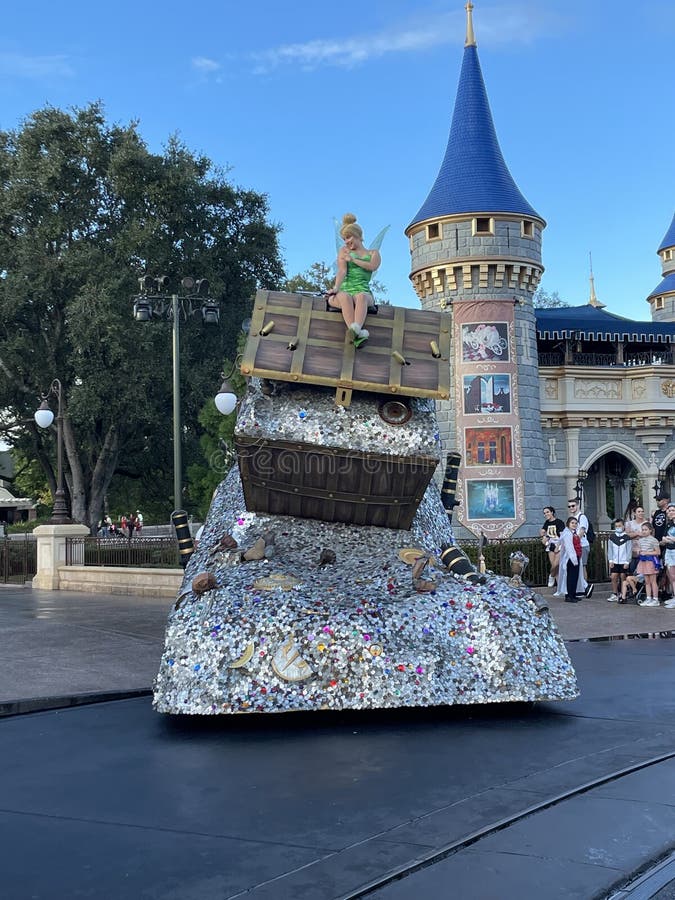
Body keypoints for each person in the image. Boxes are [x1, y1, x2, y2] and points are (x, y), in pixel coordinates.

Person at [326, 213, 381, 349]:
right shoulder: (344, 251)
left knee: (360, 296)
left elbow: (372, 266)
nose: (346, 241)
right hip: (345, 291)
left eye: (349, 237)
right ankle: (356, 333)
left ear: (358, 236)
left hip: (363, 291)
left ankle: (355, 330)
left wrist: (354, 260)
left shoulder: (373, 254)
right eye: (344, 238)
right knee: (345, 297)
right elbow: (342, 271)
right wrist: (336, 288)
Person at [566, 498, 594, 596]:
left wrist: (575, 541)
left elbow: (581, 531)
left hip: (582, 545)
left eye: (573, 506)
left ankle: (585, 588)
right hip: (576, 546)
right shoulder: (573, 518)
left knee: (582, 567)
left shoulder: (582, 517)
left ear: (577, 506)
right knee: (578, 568)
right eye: (569, 506)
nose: (571, 508)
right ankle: (581, 588)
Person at [557, 515, 586, 602]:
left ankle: (573, 594)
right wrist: (574, 559)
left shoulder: (573, 533)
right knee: (570, 577)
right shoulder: (567, 534)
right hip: (570, 558)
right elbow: (569, 548)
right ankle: (569, 596)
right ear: (568, 524)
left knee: (575, 576)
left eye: (576, 523)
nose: (574, 524)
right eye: (572, 523)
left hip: (576, 556)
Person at [636, 522, 661, 607]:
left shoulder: (654, 540)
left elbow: (658, 552)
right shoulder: (640, 540)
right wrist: (638, 551)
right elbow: (639, 549)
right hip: (643, 562)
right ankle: (648, 598)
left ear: (650, 530)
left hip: (651, 562)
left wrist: (646, 552)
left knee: (653, 581)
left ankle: (655, 599)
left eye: (646, 529)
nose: (644, 531)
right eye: (642, 530)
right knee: (646, 581)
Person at [607, 518, 631, 601]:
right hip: (614, 561)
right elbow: (610, 550)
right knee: (613, 576)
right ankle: (614, 593)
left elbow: (629, 550)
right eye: (616, 526)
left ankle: (622, 593)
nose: (618, 527)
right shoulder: (612, 537)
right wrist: (610, 560)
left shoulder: (627, 537)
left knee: (622, 576)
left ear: (623, 526)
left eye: (619, 526)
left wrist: (627, 561)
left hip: (623, 561)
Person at [540, 506, 565, 589]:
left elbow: (562, 536)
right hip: (550, 545)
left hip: (559, 544)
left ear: (552, 512)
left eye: (547, 512)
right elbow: (542, 532)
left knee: (556, 564)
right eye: (544, 513)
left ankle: (551, 576)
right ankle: (559, 587)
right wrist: (544, 536)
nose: (546, 514)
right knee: (554, 566)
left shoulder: (559, 522)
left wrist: (558, 546)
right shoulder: (546, 523)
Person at [659, 504, 675, 608]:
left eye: (673, 510)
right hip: (669, 551)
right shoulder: (669, 524)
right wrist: (665, 540)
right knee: (672, 576)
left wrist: (670, 539)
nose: (670, 512)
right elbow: (664, 538)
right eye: (669, 511)